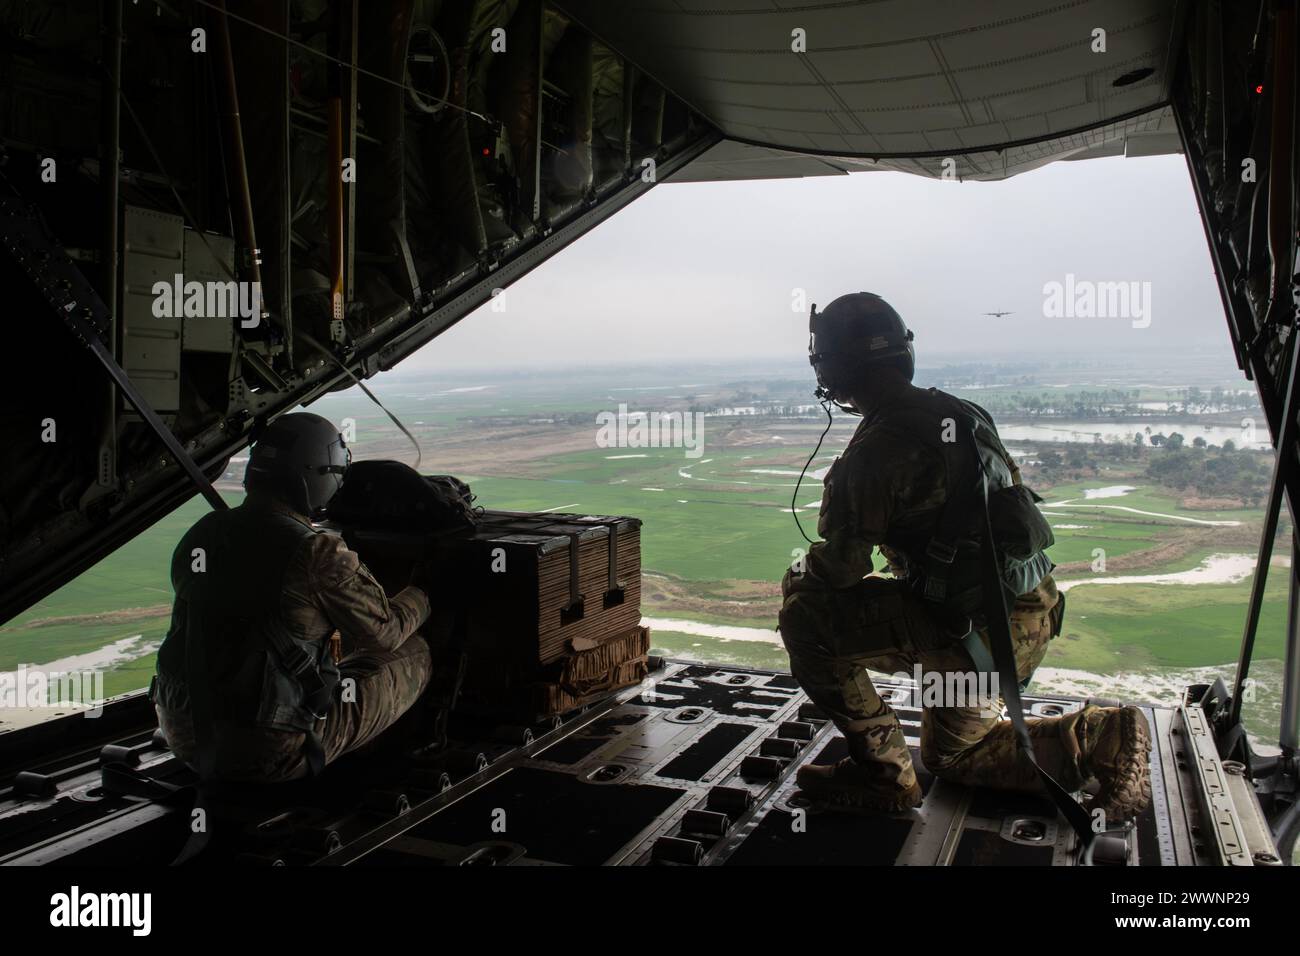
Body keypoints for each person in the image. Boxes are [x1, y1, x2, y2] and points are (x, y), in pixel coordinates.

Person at [779, 292, 1151, 820]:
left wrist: (800, 574)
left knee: (807, 617)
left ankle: (885, 778)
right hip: (1028, 615)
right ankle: (1097, 738)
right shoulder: (960, 413)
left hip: (971, 630)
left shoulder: (873, 453)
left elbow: (842, 568)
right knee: (953, 752)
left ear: (835, 370)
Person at [151, 412, 434, 783]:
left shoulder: (204, 532)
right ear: (317, 478)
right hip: (270, 751)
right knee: (415, 654)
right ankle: (375, 761)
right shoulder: (317, 551)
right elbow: (385, 634)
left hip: (187, 737)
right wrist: (424, 593)